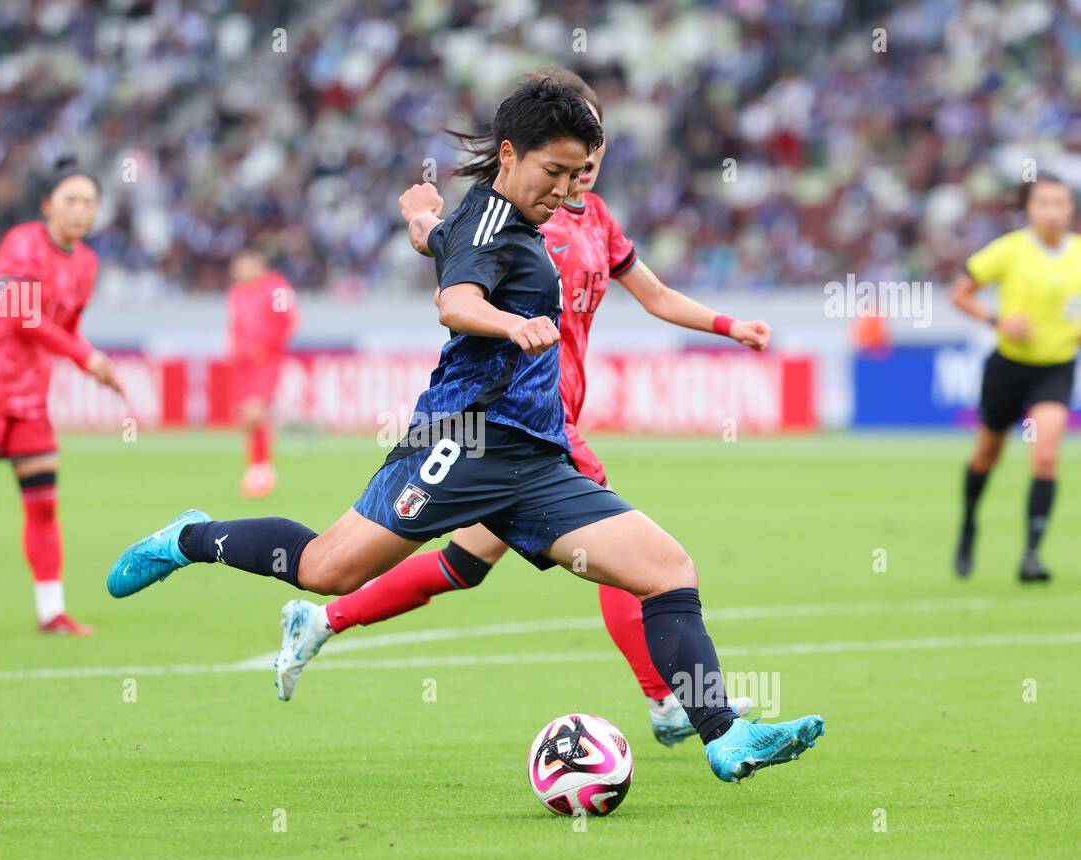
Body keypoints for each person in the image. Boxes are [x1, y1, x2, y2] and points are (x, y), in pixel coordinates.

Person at [107, 77, 824, 784]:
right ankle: (190, 538)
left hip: (538, 458)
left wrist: (425, 230)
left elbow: (455, 250)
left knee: (667, 570)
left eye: (580, 173)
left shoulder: (520, 219)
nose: (569, 188)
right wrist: (512, 321)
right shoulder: (491, 218)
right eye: (556, 171)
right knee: (327, 569)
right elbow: (457, 301)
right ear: (510, 155)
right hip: (464, 441)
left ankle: (724, 735)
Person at [273, 68, 771, 749]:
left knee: (464, 566)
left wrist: (726, 324)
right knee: (633, 559)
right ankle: (667, 702)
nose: (582, 170)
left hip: (537, 427)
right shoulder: (514, 215)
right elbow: (456, 260)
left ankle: (324, 620)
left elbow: (653, 295)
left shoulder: (594, 221)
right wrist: (426, 227)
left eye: (591, 157)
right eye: (568, 158)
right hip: (516, 423)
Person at [0, 157, 125, 638]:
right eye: (71, 200)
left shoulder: (87, 263)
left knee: (43, 504)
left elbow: (66, 327)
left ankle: (51, 612)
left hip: (31, 397)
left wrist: (86, 363)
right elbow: (23, 317)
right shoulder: (21, 244)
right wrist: (85, 356)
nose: (80, 211)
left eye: (89, 203)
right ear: (47, 206)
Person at [949, 173, 1081, 582]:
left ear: (1070, 209)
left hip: (1056, 367)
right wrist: (998, 320)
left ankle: (1031, 555)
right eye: (1043, 203)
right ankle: (969, 525)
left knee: (1045, 456)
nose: (1052, 211)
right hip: (1009, 366)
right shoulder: (1010, 250)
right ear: (1029, 208)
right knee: (987, 455)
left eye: (1059, 203)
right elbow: (960, 292)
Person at [227, 249, 299, 496]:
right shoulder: (237, 291)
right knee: (246, 418)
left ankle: (262, 471)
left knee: (257, 412)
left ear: (257, 262)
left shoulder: (277, 288)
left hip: (267, 361)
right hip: (242, 362)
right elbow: (236, 326)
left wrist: (265, 346)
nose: (236, 271)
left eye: (241, 265)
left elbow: (289, 322)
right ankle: (256, 468)